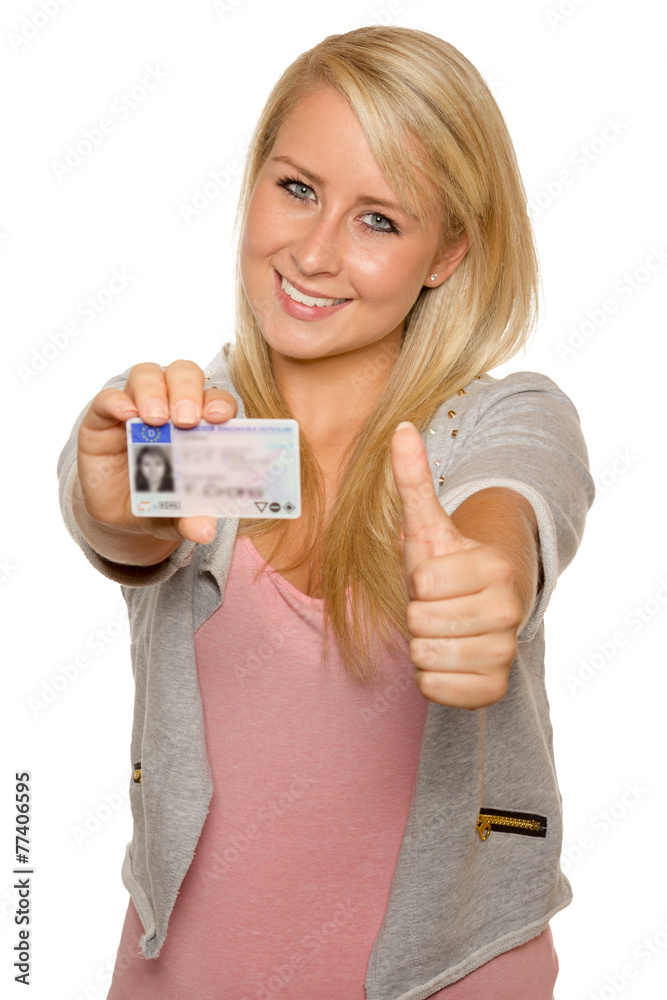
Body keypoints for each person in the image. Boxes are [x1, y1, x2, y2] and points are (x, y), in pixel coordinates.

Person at [57, 25, 594, 999]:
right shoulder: (214, 435)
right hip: (180, 975)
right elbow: (123, 522)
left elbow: (512, 502)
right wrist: (105, 489)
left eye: (379, 220)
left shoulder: (490, 426)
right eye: (298, 188)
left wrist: (485, 586)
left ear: (447, 253)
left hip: (447, 974)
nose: (312, 251)